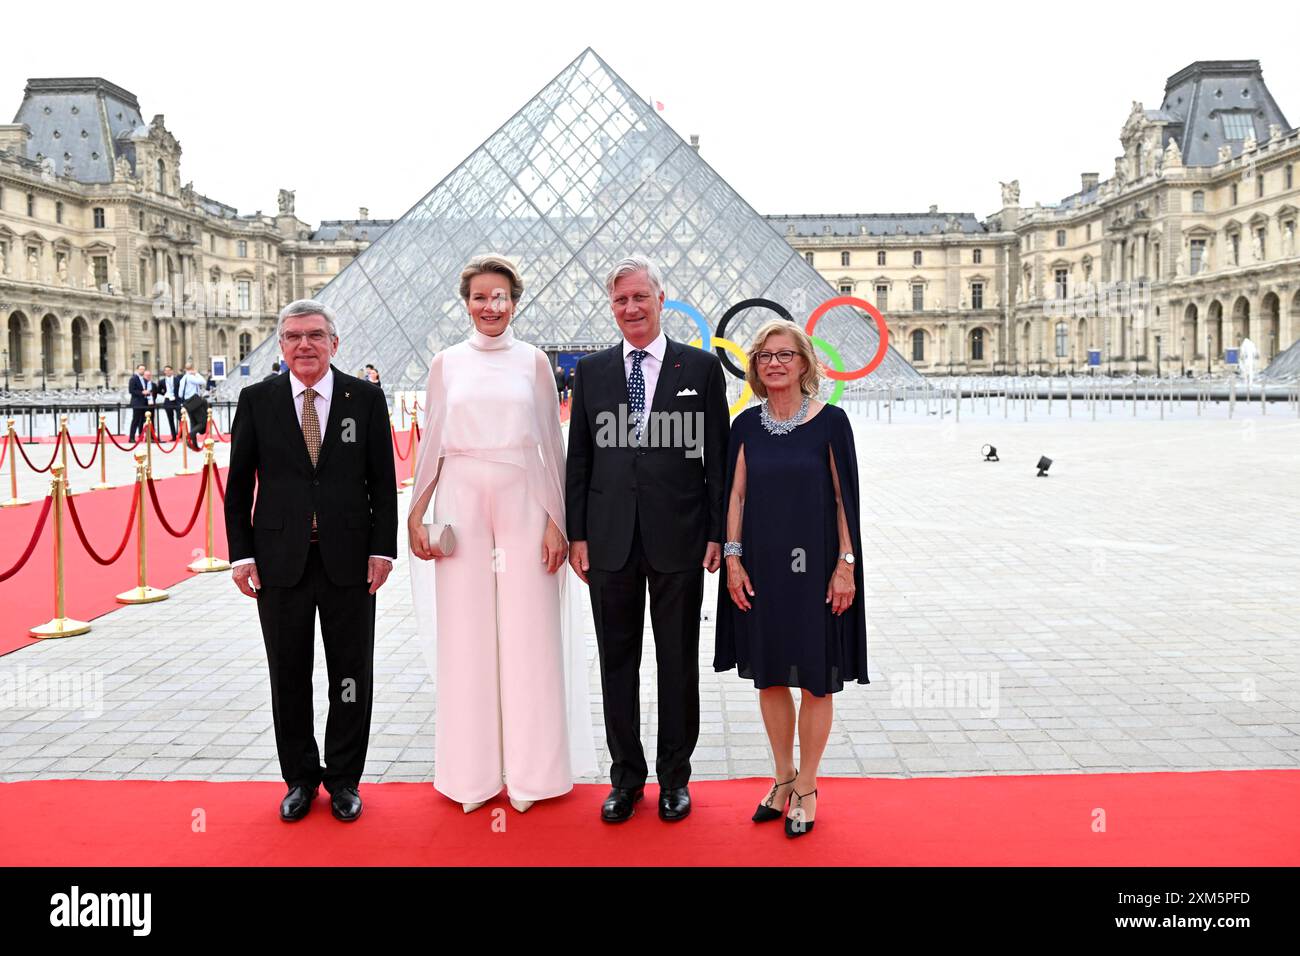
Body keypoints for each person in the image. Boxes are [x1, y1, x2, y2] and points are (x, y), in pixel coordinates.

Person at [407, 254, 594, 814]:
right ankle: (471, 776)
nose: (491, 307)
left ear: (515, 301)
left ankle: (535, 775)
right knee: (465, 638)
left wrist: (557, 521)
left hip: (523, 498)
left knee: (529, 635)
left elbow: (549, 442)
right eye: (481, 297)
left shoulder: (535, 362)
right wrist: (416, 514)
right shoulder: (445, 363)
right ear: (466, 302)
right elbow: (433, 441)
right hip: (460, 501)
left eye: (501, 297)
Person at [566, 256, 729, 824]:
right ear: (611, 308)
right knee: (617, 663)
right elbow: (579, 457)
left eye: (640, 297)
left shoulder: (703, 369)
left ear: (662, 299)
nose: (631, 308)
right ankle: (626, 779)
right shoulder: (592, 371)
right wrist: (577, 534)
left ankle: (675, 779)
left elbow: (718, 461)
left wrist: (717, 533)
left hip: (680, 539)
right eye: (620, 301)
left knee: (677, 662)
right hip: (609, 541)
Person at [224, 299, 398, 823]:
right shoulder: (258, 400)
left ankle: (343, 779)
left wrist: (382, 548)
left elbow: (382, 481)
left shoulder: (364, 398)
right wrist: (241, 555)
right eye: (294, 336)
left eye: (315, 335)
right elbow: (239, 485)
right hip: (280, 562)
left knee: (351, 674)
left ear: (334, 343)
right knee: (289, 674)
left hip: (348, 560)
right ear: (281, 345)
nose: (305, 345)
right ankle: (299, 778)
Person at [714, 319, 868, 839]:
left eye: (784, 355)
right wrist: (733, 560)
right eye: (764, 356)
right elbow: (734, 496)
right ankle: (781, 777)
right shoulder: (745, 426)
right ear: (755, 368)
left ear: (805, 363)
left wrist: (846, 567)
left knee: (818, 678)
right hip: (761, 568)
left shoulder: (832, 422)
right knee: (771, 674)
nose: (773, 363)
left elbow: (846, 498)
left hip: (818, 572)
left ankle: (808, 783)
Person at [178, 363, 208, 451]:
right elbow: (203, 382)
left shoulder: (182, 379)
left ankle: (194, 445)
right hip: (194, 400)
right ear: (192, 368)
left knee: (193, 423)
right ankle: (190, 436)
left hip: (187, 402)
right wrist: (197, 373)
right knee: (202, 422)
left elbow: (180, 394)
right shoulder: (191, 377)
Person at [158, 365, 182, 440]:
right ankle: (173, 436)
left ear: (172, 371)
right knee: (170, 419)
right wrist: (164, 393)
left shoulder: (177, 380)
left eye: (169, 370)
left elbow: (181, 389)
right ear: (164, 372)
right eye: (166, 370)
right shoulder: (161, 381)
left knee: (180, 418)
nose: (168, 372)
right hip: (168, 400)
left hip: (176, 400)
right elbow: (158, 390)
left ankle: (182, 434)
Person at [127, 365, 150, 441]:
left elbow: (147, 389)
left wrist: (148, 392)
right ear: (137, 370)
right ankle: (132, 437)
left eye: (143, 369)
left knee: (143, 420)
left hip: (145, 402)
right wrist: (142, 392)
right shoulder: (133, 379)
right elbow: (131, 390)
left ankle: (141, 435)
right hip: (137, 402)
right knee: (136, 420)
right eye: (140, 369)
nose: (142, 371)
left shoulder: (145, 380)